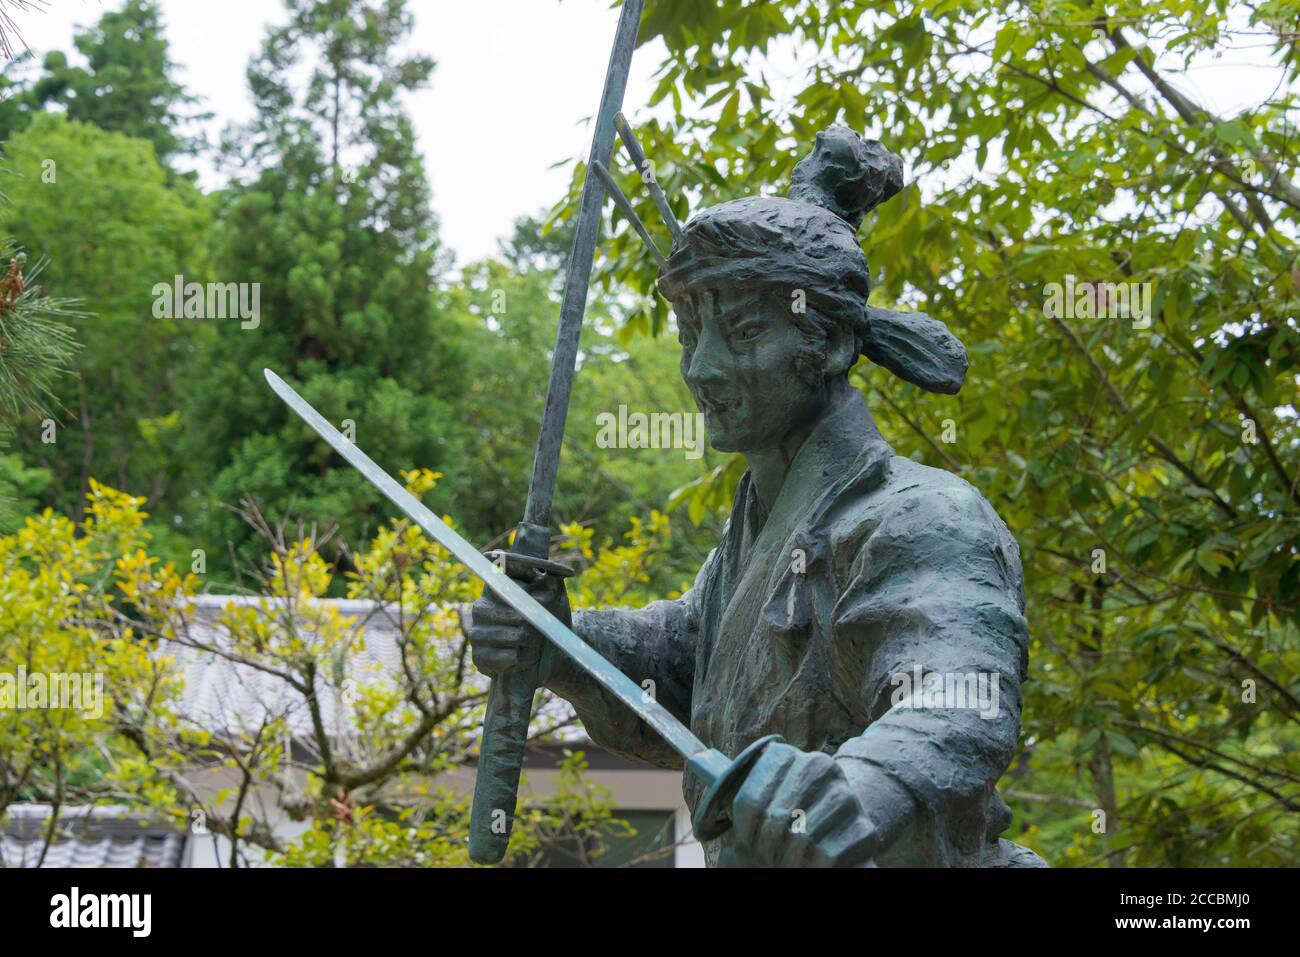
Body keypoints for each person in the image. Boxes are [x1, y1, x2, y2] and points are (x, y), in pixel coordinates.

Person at [467, 126, 1046, 867]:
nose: (702, 368)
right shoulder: (759, 527)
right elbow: (683, 662)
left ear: (831, 345)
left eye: (741, 332)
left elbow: (958, 690)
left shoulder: (924, 515)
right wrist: (563, 642)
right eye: (690, 333)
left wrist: (861, 785)